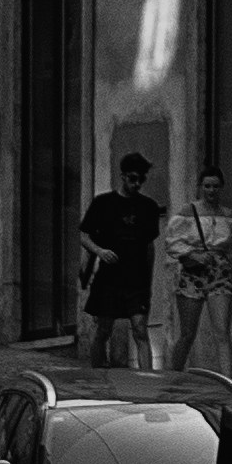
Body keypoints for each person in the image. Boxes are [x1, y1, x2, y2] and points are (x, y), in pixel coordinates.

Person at [78, 147, 164, 369]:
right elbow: (83, 235)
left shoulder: (148, 207)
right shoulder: (103, 203)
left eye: (141, 180)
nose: (137, 184)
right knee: (104, 329)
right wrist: (100, 251)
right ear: (123, 176)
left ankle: (148, 380)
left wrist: (148, 283)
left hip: (135, 278)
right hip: (109, 278)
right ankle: (98, 374)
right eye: (133, 179)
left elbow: (149, 247)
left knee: (140, 329)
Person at [165, 161, 232, 372]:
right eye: (207, 186)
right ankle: (173, 375)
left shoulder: (229, 215)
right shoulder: (187, 212)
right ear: (200, 186)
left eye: (216, 186)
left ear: (221, 187)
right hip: (193, 272)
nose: (211, 190)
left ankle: (229, 381)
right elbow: (171, 241)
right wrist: (192, 254)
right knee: (188, 332)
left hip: (220, 273)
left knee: (222, 331)